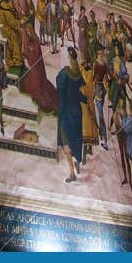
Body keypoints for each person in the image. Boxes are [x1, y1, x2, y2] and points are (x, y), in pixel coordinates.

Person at [55, 46, 87, 183]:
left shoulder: (65, 72)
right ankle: (77, 162)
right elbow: (79, 93)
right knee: (75, 138)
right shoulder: (78, 74)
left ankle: (72, 173)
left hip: (66, 111)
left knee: (66, 141)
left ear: (69, 57)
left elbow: (60, 88)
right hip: (77, 112)